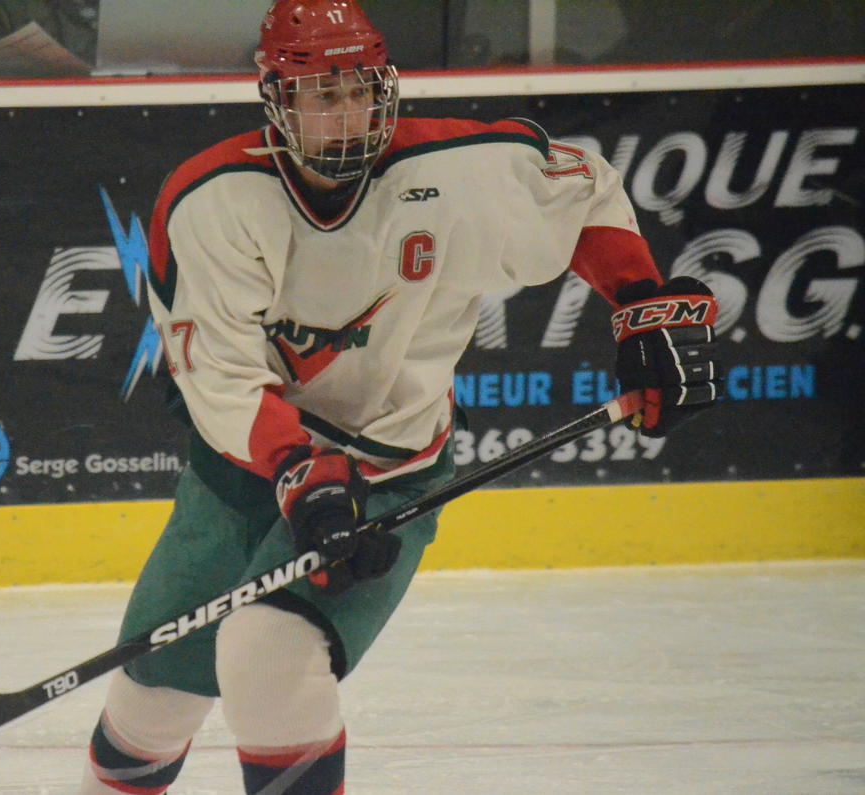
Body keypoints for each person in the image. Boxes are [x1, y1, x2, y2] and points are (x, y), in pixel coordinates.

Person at [80, 1, 723, 792]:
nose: (346, 113)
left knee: (267, 654)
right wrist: (298, 469)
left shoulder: (461, 172)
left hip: (389, 466)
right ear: (277, 100)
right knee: (151, 704)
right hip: (244, 468)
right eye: (322, 94)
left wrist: (642, 304)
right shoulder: (214, 202)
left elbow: (586, 194)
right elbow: (219, 377)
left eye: (359, 90)